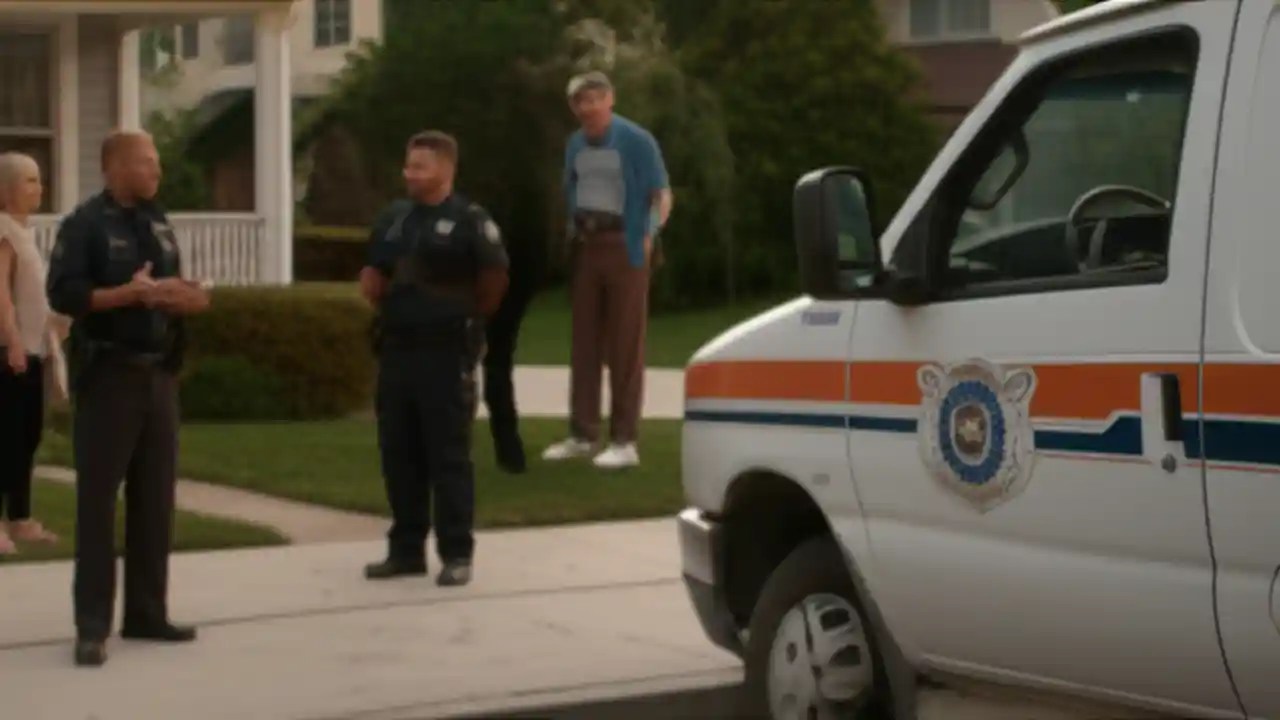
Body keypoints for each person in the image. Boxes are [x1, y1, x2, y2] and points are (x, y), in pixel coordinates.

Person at [46, 130, 211, 667]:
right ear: (115, 166)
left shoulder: (158, 222)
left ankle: (147, 612)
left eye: (156, 162)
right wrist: (128, 295)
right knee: (98, 503)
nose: (156, 171)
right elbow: (66, 294)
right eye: (146, 163)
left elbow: (175, 286)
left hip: (157, 375)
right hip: (110, 375)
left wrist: (189, 298)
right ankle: (92, 625)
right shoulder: (85, 225)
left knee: (155, 499)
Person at [358, 130, 509, 586]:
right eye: (408, 165)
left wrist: (454, 317)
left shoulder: (470, 220)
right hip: (398, 352)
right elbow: (374, 271)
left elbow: (492, 283)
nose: (410, 173)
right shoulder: (394, 218)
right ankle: (405, 550)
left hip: (445, 354)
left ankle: (456, 552)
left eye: (420, 166)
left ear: (445, 169)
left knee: (448, 457)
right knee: (398, 453)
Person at [541, 71, 673, 470]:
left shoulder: (636, 139)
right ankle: (583, 433)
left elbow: (661, 194)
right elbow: (572, 191)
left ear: (610, 99)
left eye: (595, 98)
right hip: (587, 244)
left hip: (626, 243)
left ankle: (624, 440)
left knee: (624, 343)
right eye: (581, 101)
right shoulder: (575, 144)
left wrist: (649, 232)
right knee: (584, 343)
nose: (588, 107)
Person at [0, 152, 67, 557]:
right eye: (28, 180)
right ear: (5, 190)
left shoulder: (27, 233)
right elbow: (1, 292)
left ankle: (21, 518)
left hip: (35, 348)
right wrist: (12, 340)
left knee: (27, 435)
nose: (38, 188)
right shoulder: (3, 230)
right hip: (10, 350)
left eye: (39, 179)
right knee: (4, 435)